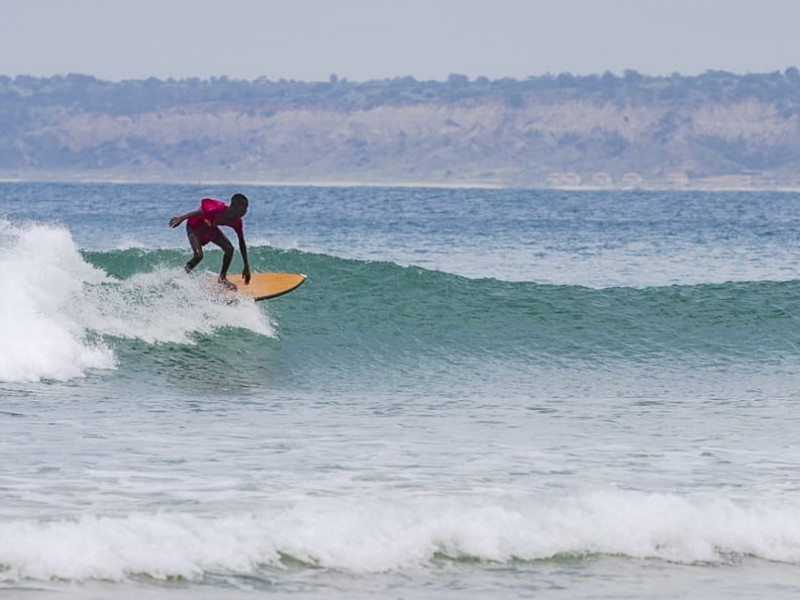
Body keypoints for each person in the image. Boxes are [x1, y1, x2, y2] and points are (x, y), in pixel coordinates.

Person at [169, 193, 251, 289]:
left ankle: (222, 278)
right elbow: (198, 212)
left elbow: (241, 242)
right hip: (194, 226)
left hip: (209, 228)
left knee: (229, 249)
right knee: (198, 256)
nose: (246, 211)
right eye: (243, 208)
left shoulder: (237, 222)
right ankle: (180, 276)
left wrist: (246, 265)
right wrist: (181, 218)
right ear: (234, 206)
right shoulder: (218, 209)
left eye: (246, 208)